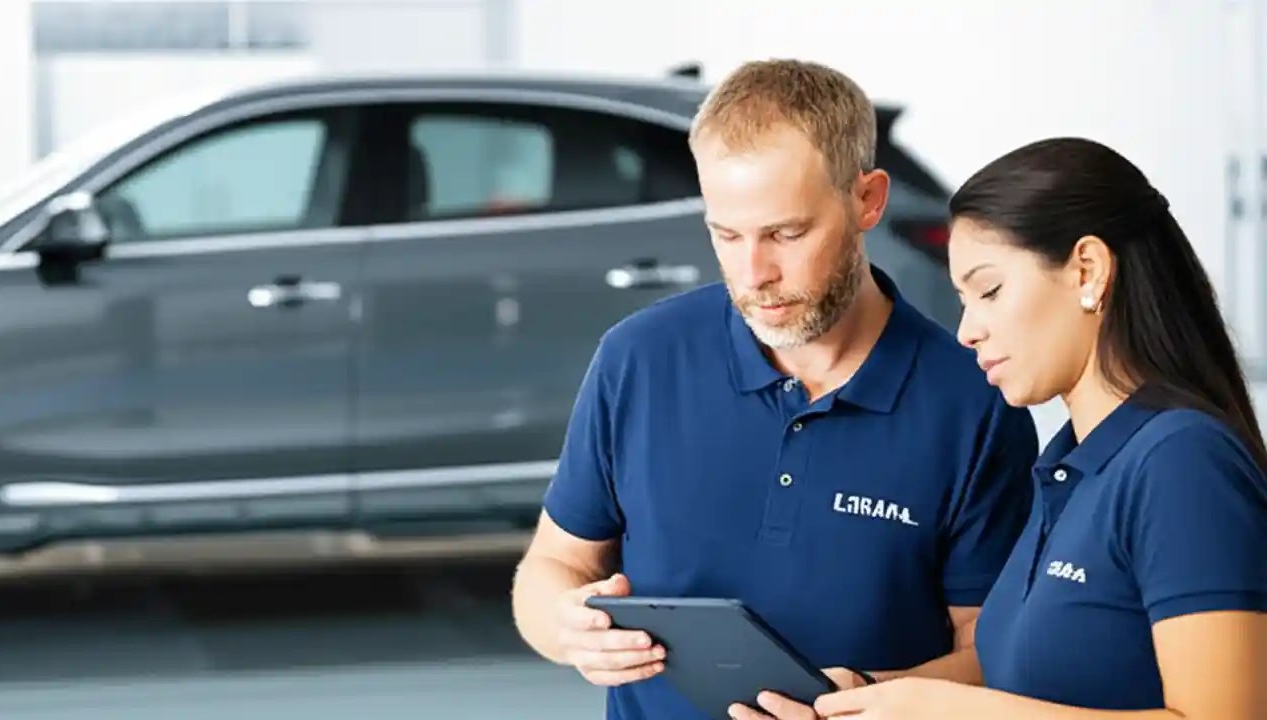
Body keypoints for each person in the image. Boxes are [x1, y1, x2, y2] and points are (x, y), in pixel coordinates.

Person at [510, 59, 1039, 720]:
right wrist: (565, 625)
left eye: (786, 234)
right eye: (725, 235)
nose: (753, 273)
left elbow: (997, 649)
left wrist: (869, 697)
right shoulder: (637, 359)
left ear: (867, 200)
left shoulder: (972, 402)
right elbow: (553, 564)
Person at [798, 138, 1267, 719]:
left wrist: (950, 714)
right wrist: (867, 694)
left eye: (990, 291)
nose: (967, 330)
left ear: (1087, 271)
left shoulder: (1182, 462)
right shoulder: (1070, 465)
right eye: (964, 300)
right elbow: (1020, 669)